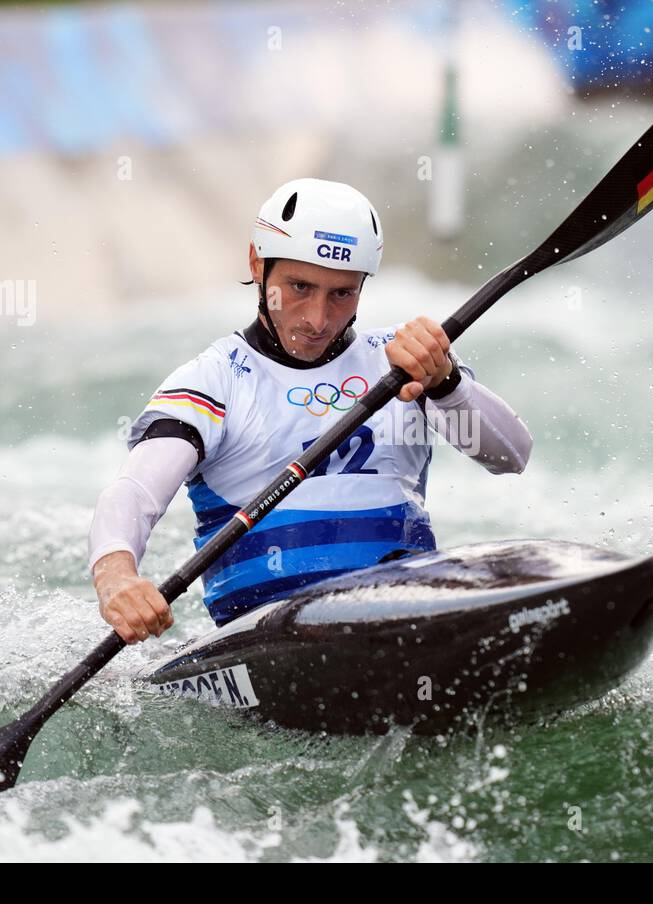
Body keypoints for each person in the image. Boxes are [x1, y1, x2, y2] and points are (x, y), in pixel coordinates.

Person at [88, 178, 533, 643]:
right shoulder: (213, 380)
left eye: (342, 294)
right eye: (299, 286)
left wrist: (446, 383)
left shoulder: (405, 362)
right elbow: (133, 492)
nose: (317, 320)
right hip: (270, 641)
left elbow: (511, 457)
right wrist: (118, 576)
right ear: (257, 264)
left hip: (406, 613)